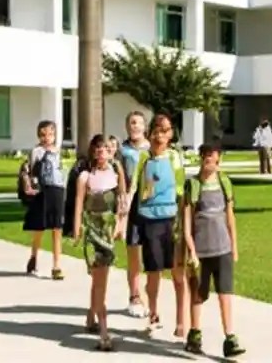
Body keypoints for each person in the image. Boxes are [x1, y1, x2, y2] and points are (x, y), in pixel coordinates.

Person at [126, 113, 188, 336]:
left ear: (171, 134)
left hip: (172, 220)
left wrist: (184, 224)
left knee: (178, 273)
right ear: (150, 133)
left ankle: (181, 321)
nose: (161, 135)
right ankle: (153, 313)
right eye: (157, 130)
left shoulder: (174, 158)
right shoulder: (143, 158)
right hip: (149, 220)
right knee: (154, 272)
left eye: (165, 130)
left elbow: (181, 191)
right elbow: (134, 189)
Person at [182, 144, 246, 358]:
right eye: (204, 156)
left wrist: (234, 246)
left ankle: (230, 338)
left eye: (212, 155)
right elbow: (187, 222)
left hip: (223, 248)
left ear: (218, 158)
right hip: (200, 250)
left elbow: (230, 217)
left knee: (225, 294)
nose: (208, 159)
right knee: (198, 294)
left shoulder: (224, 182)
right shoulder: (193, 184)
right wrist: (190, 250)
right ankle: (195, 333)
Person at [73, 134, 129, 351]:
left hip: (108, 233)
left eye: (105, 148)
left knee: (99, 280)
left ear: (111, 151)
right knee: (99, 282)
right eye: (97, 148)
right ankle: (104, 333)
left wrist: (120, 227)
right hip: (92, 232)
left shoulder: (117, 175)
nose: (101, 152)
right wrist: (77, 230)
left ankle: (91, 316)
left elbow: (122, 204)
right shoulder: (85, 177)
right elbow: (78, 205)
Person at [23, 119, 66, 279]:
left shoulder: (60, 152)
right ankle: (34, 256)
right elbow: (30, 170)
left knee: (57, 228)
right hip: (42, 191)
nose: (46, 138)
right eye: (42, 135)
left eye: (49, 134)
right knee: (39, 228)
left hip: (57, 190)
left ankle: (56, 265)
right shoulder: (37, 152)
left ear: (55, 135)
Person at [118, 111, 151, 318]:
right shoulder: (123, 150)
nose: (135, 126)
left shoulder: (152, 149)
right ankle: (134, 295)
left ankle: (150, 297)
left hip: (150, 203)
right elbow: (120, 176)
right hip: (131, 203)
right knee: (133, 252)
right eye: (131, 123)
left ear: (145, 126)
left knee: (151, 254)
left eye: (138, 123)